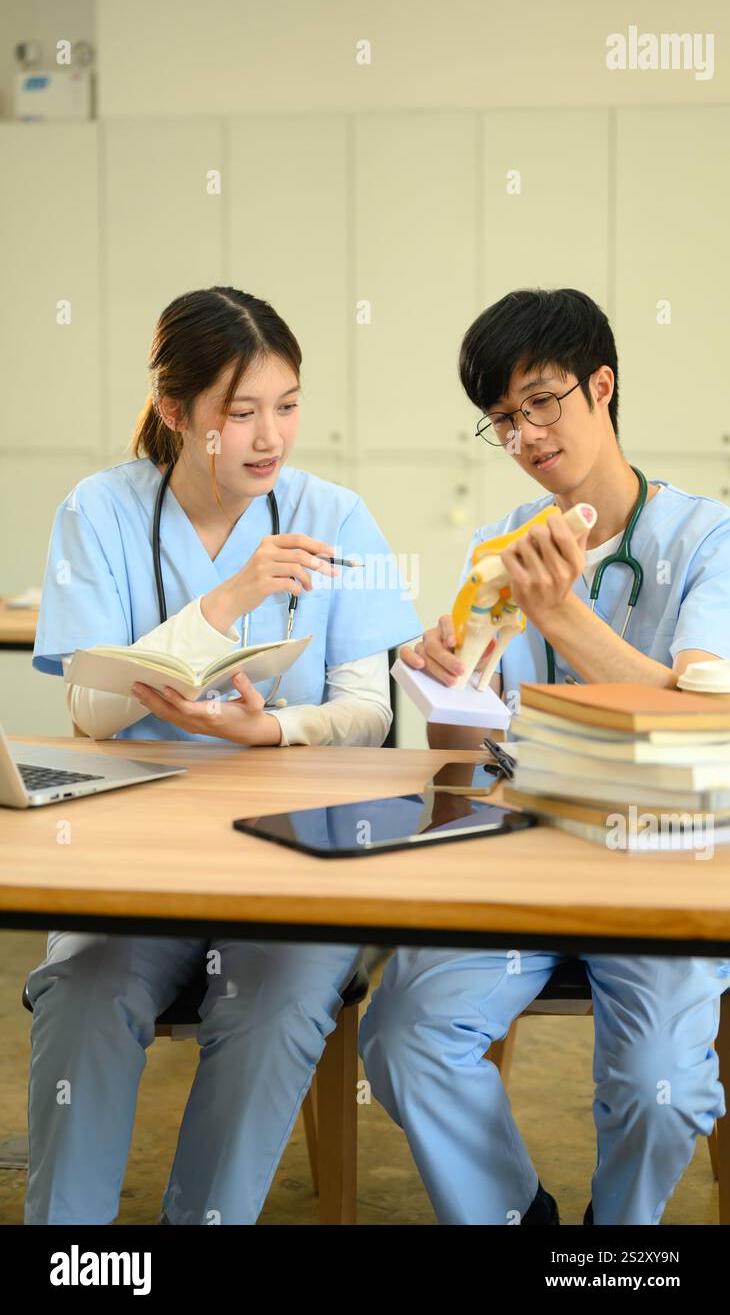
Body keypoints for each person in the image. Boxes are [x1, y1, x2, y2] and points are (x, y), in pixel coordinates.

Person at [26, 285, 421, 1225]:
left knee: (279, 1000)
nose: (268, 435)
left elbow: (367, 713)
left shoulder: (340, 517)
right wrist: (225, 604)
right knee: (84, 993)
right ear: (176, 412)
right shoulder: (102, 511)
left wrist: (273, 730)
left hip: (293, 853)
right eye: (239, 412)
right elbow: (90, 714)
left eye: (286, 406)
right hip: (138, 858)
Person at [360, 287, 730, 1225]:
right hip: (522, 845)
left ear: (601, 386)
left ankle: (612, 1246)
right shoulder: (502, 551)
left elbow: (699, 717)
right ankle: (514, 1217)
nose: (523, 434)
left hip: (663, 853)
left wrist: (563, 613)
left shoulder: (707, 538)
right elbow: (465, 756)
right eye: (500, 418)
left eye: (540, 403)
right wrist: (442, 681)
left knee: (661, 1089)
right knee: (402, 1037)